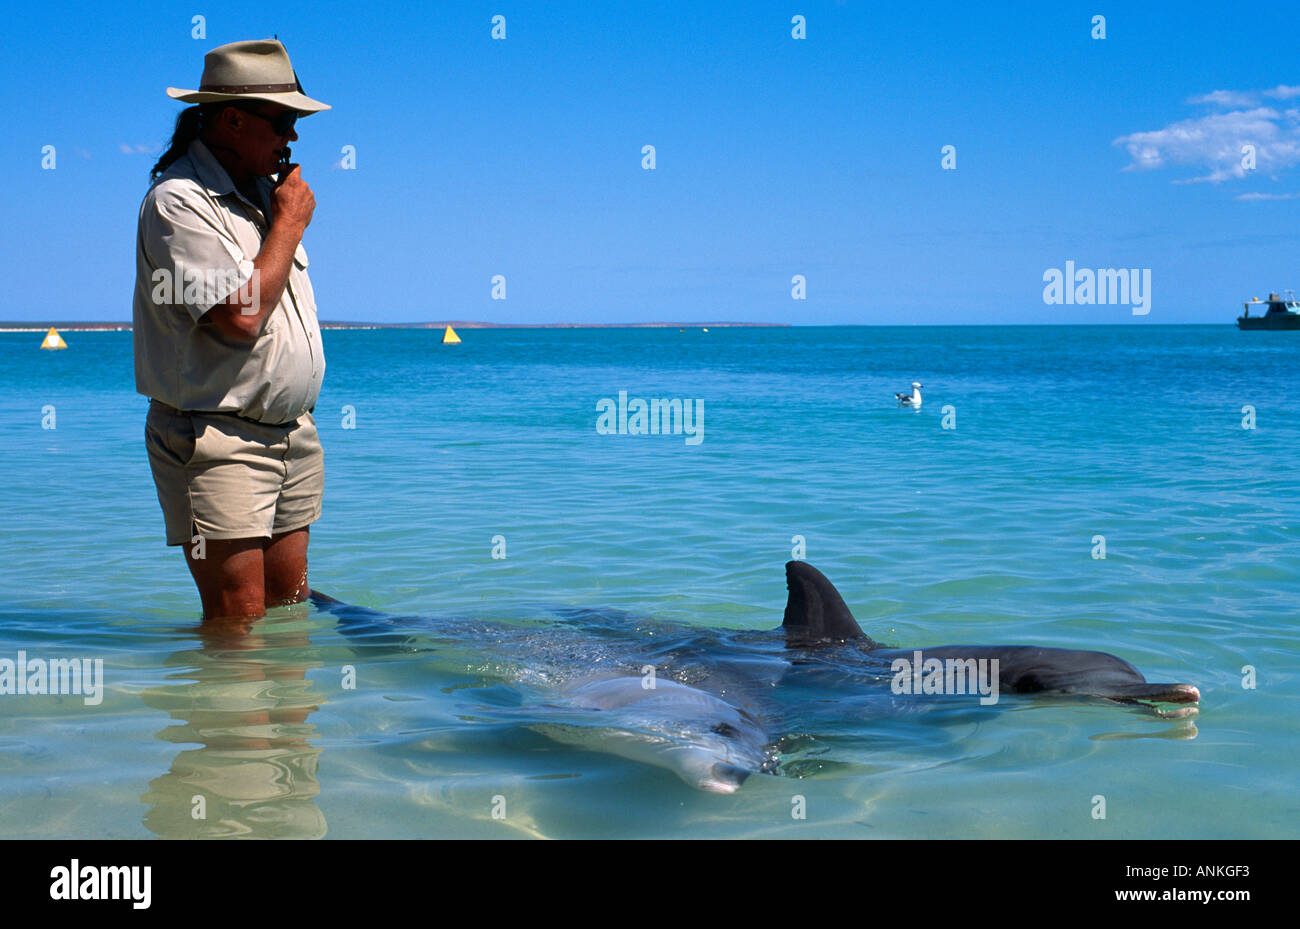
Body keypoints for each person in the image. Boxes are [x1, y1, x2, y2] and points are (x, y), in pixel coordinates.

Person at [134, 39, 330, 622]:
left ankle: (287, 715)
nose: (291, 138)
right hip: (217, 439)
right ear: (233, 119)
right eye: (283, 121)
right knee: (237, 623)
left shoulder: (258, 199)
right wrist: (290, 224)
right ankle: (221, 717)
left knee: (289, 613)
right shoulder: (178, 204)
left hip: (290, 432)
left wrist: (280, 216)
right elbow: (242, 315)